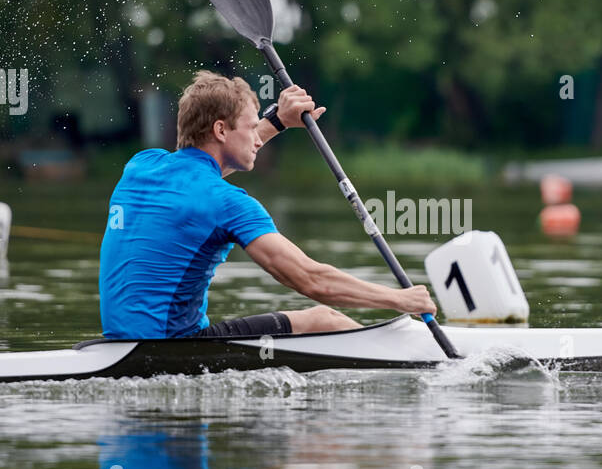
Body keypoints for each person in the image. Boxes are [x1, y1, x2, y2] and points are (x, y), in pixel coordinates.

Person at [98, 70, 437, 339]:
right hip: (174, 348)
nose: (257, 138)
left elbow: (202, 174)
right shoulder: (230, 204)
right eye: (250, 126)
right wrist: (400, 300)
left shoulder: (140, 166)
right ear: (220, 129)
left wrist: (277, 120)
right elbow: (310, 280)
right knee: (323, 320)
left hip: (121, 342)